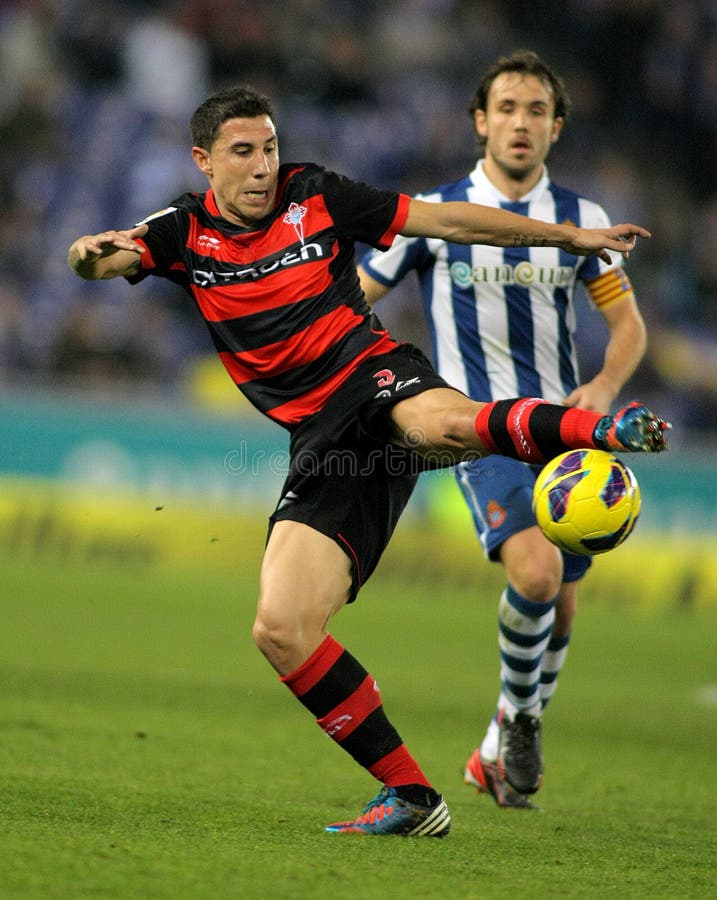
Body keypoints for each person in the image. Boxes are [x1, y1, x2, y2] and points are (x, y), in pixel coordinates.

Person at [67, 85, 668, 837]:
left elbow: (445, 219)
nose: (262, 167)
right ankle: (414, 799)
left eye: (269, 147)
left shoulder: (316, 194)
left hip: (372, 370)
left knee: (446, 423)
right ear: (203, 160)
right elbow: (100, 259)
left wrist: (565, 238)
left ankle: (594, 431)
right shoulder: (182, 230)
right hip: (322, 442)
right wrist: (85, 254)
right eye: (243, 152)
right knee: (280, 627)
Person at [358, 50, 650, 810]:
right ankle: (519, 720)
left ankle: (493, 752)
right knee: (536, 576)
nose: (520, 123)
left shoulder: (582, 221)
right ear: (480, 121)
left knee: (559, 604)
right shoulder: (433, 210)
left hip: (566, 434)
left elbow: (626, 326)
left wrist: (605, 386)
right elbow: (355, 296)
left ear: (556, 127)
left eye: (535, 111)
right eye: (507, 108)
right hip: (478, 429)